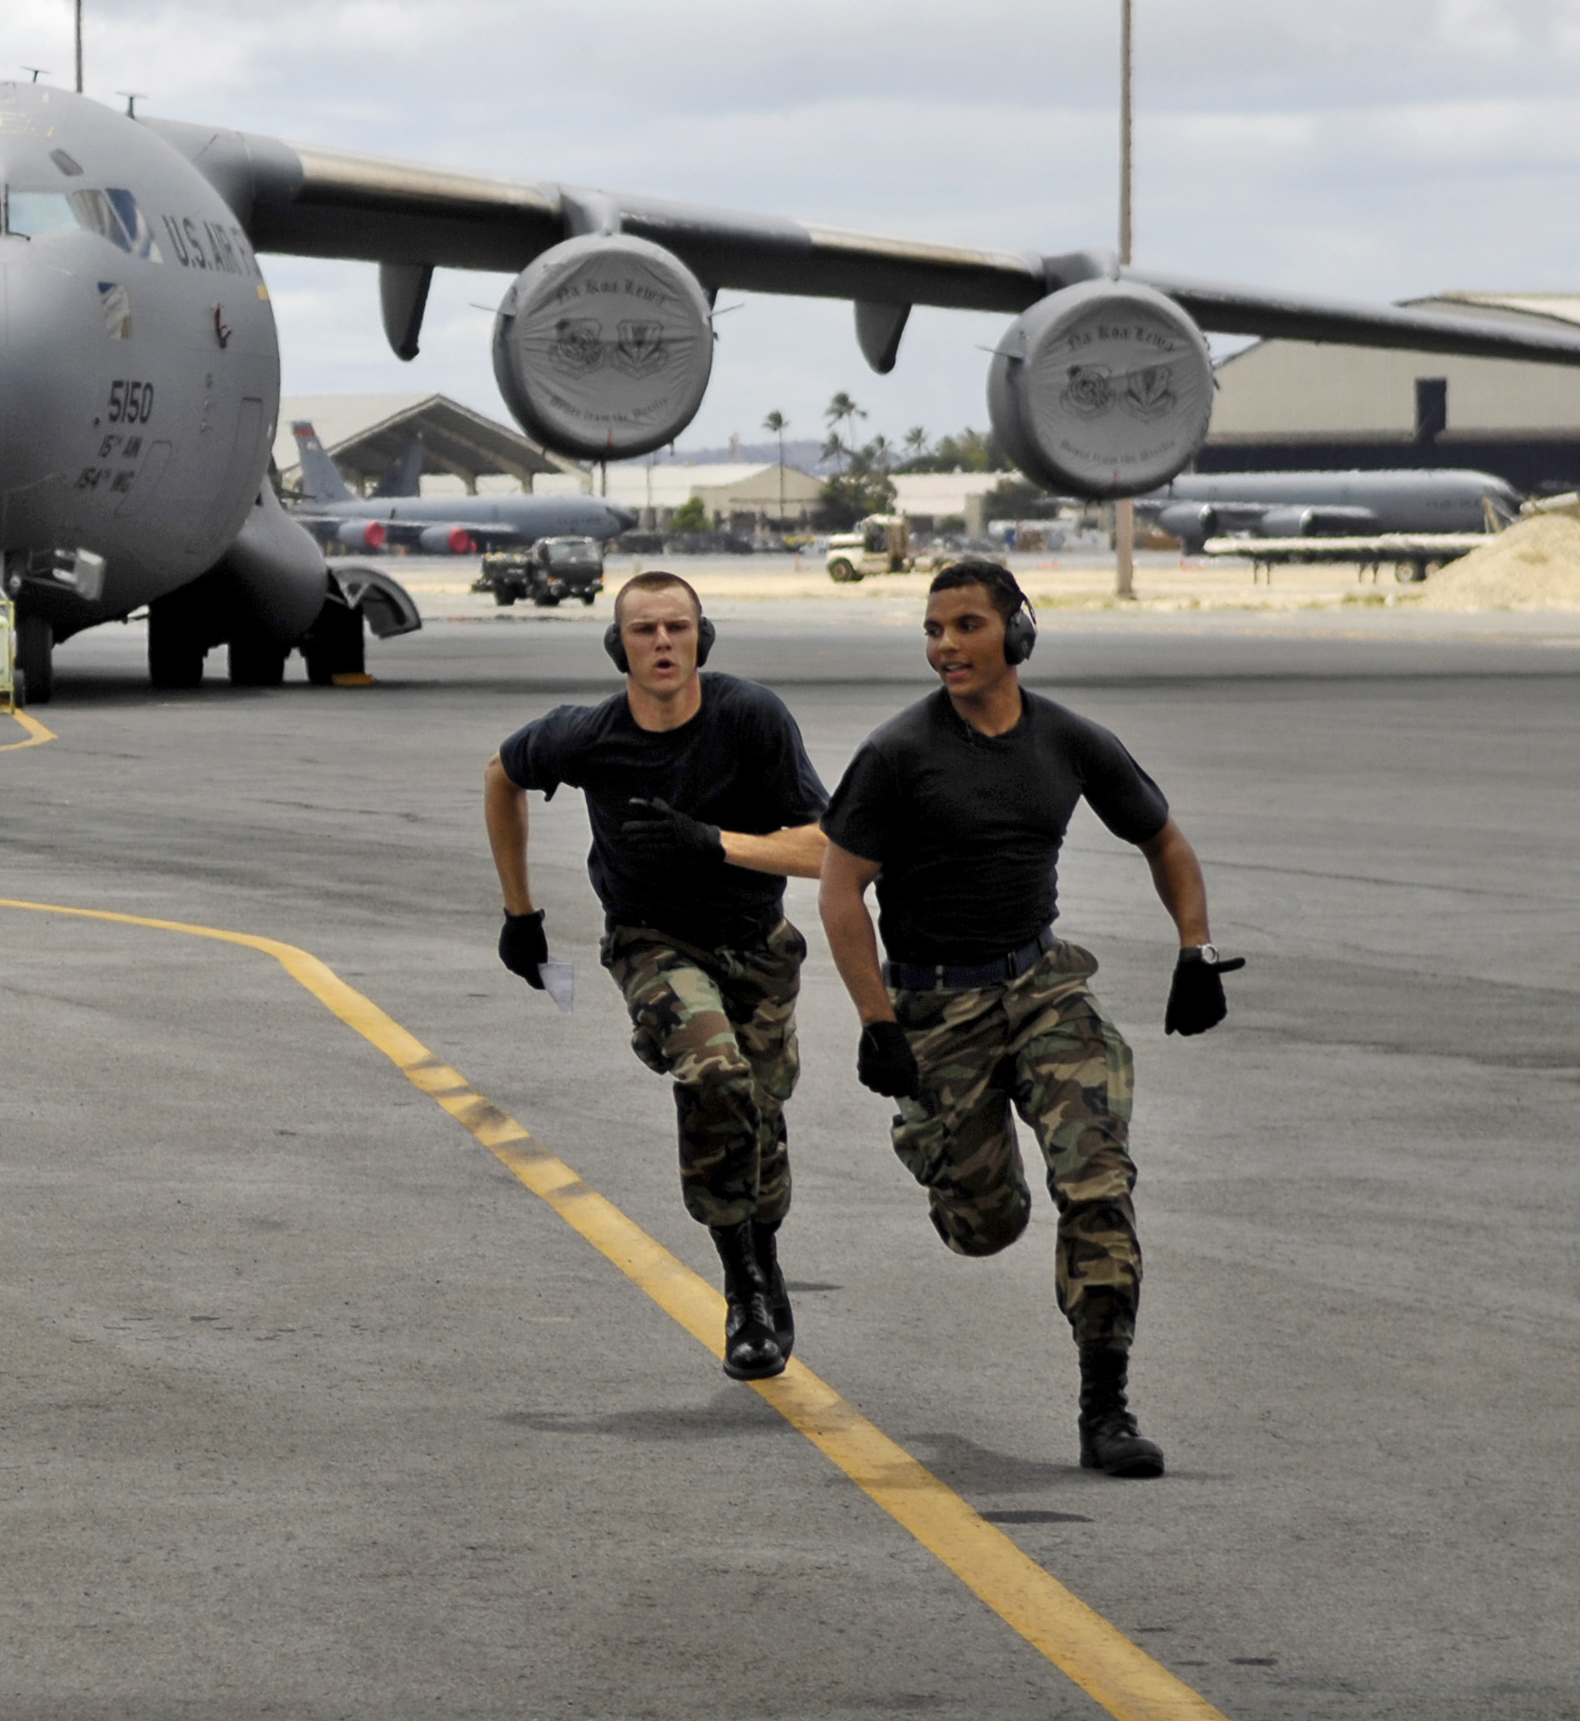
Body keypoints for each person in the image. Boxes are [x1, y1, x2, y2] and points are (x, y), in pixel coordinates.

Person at [815, 557, 1237, 1478]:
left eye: (965, 626)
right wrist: (876, 1020)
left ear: (1017, 629)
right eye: (932, 630)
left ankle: (1105, 1409)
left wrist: (1193, 949)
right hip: (935, 1001)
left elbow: (1160, 837)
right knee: (985, 1226)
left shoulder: (1069, 740)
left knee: (1096, 1182)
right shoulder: (896, 754)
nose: (944, 647)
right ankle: (943, 1155)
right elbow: (841, 889)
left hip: (1042, 985)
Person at [485, 569, 831, 1379]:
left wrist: (711, 843)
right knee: (714, 1075)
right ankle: (742, 1289)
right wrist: (519, 914)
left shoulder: (751, 717)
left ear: (700, 639)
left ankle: (762, 1253)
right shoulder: (585, 734)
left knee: (759, 1116)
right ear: (619, 647)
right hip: (651, 943)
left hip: (756, 943)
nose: (663, 643)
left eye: (677, 628)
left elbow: (825, 847)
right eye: (644, 630)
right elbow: (500, 776)